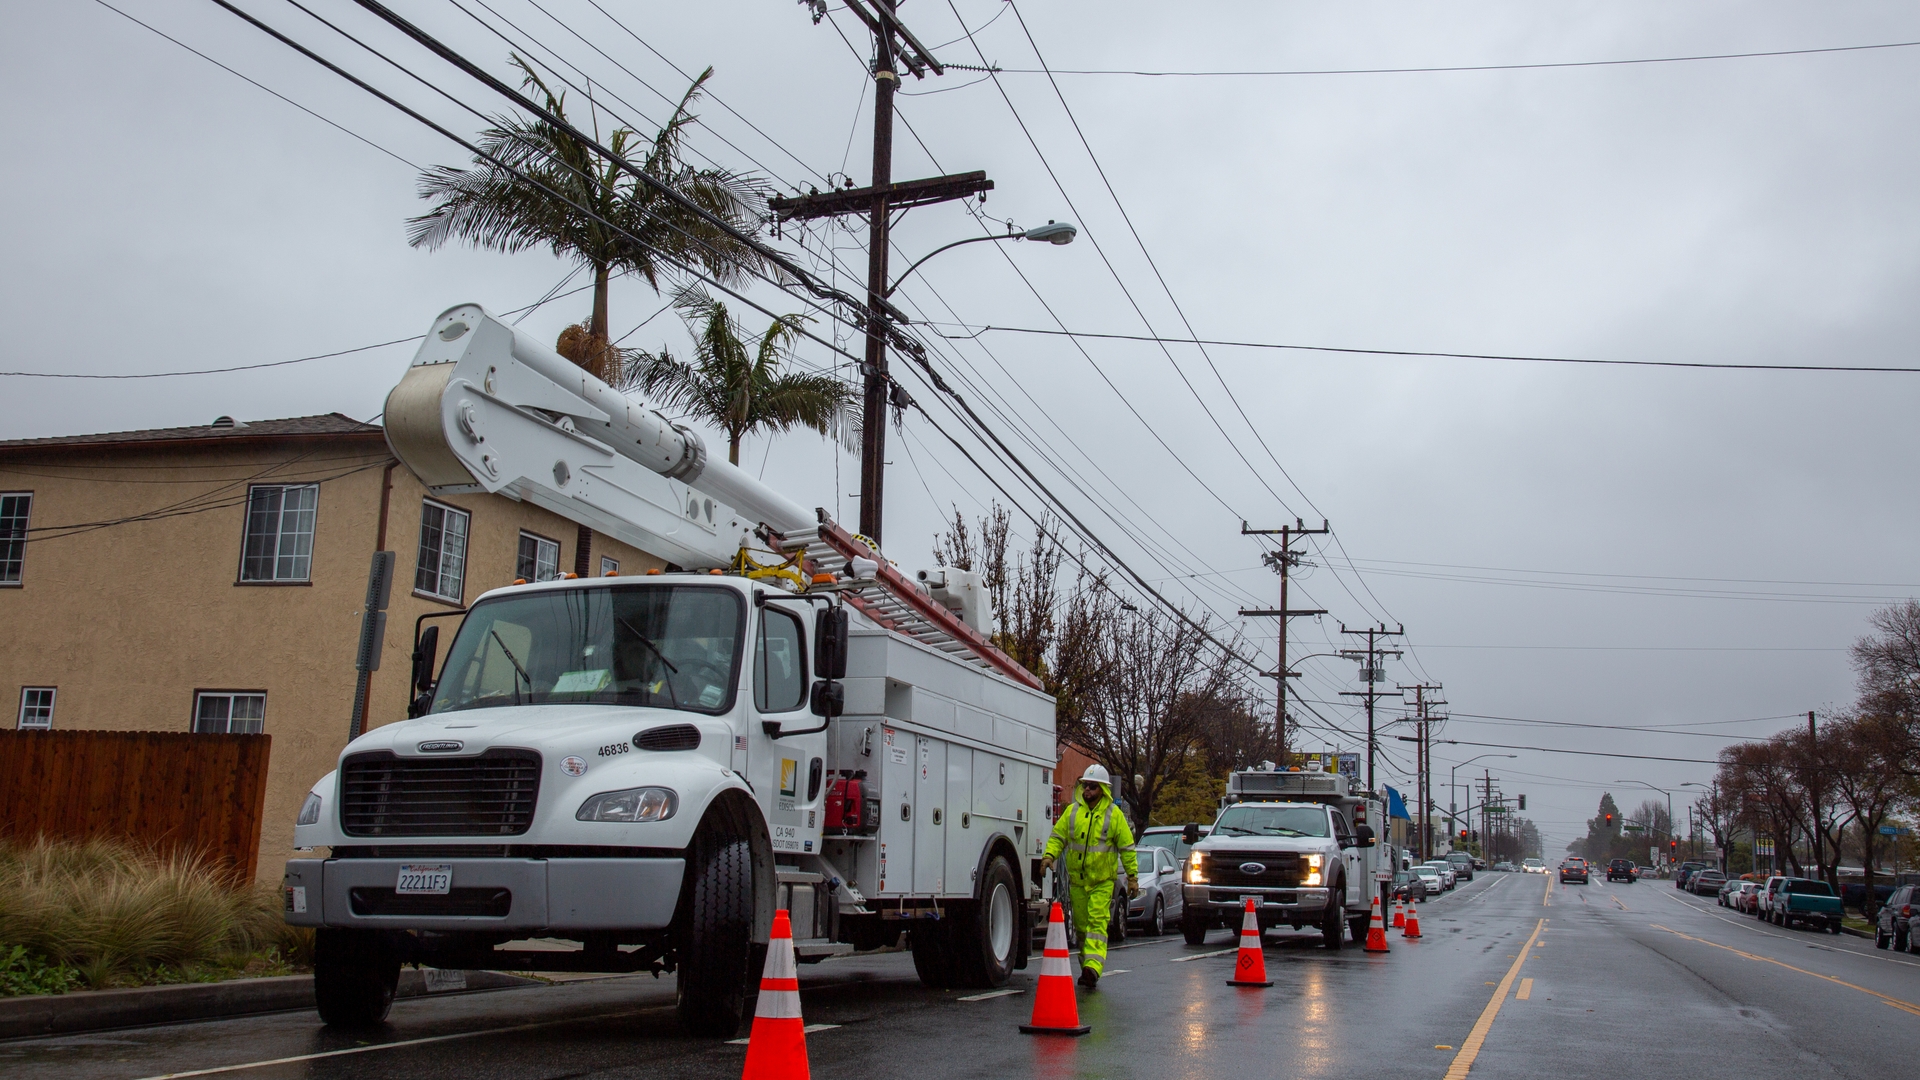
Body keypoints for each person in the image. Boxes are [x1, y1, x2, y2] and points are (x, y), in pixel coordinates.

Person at [1041, 764, 1138, 989]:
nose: (1087, 790)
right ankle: (1087, 967)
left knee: (1097, 923)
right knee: (1082, 928)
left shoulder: (1114, 816)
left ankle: (1093, 967)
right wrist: (1049, 856)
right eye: (1085, 785)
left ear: (1103, 790)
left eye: (1092, 787)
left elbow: (1127, 848)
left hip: (1102, 882)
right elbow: (1058, 836)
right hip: (1078, 882)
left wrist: (1132, 876)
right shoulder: (1072, 812)